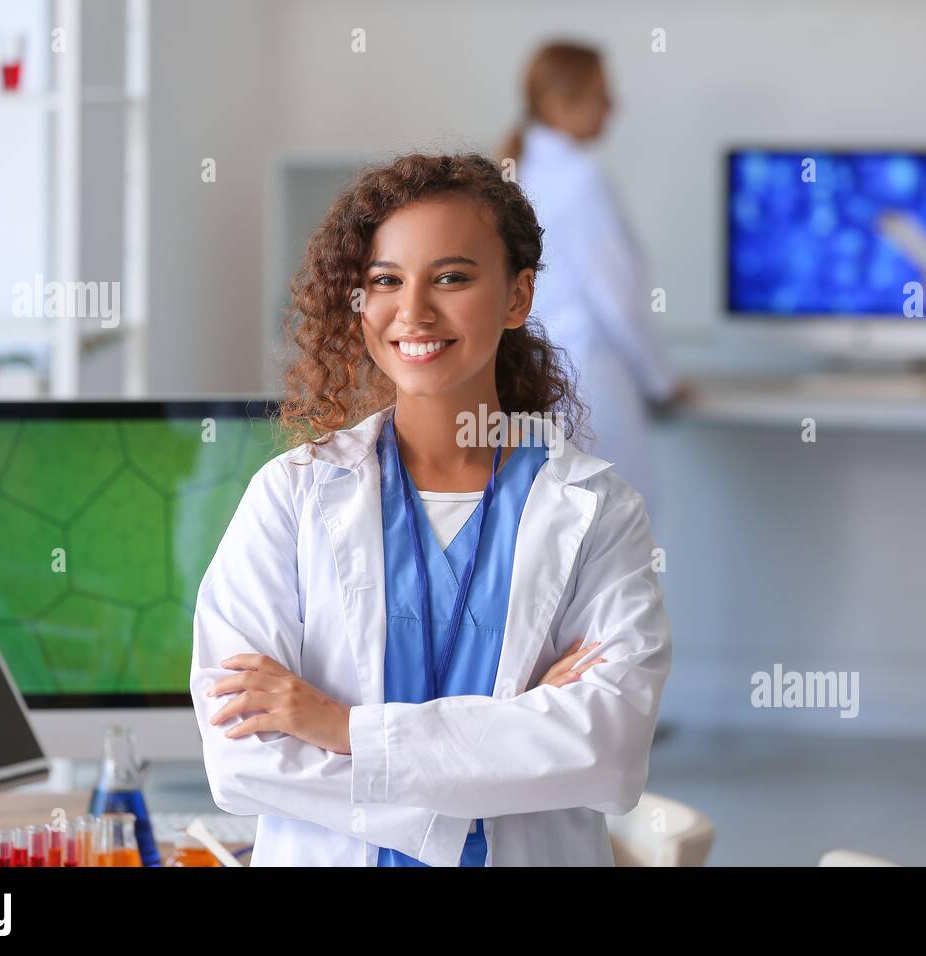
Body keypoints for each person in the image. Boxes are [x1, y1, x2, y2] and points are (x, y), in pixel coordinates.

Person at [189, 153, 672, 866]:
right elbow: (242, 763)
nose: (413, 310)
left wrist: (337, 725)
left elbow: (608, 751)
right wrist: (507, 743)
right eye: (386, 280)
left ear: (517, 297)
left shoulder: (597, 511)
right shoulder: (290, 497)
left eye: (451, 277)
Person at [500, 41, 689, 512]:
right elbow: (617, 300)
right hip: (589, 384)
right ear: (563, 102)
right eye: (602, 94)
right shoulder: (579, 179)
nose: (613, 107)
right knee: (615, 539)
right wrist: (662, 383)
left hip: (538, 383)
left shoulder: (522, 170)